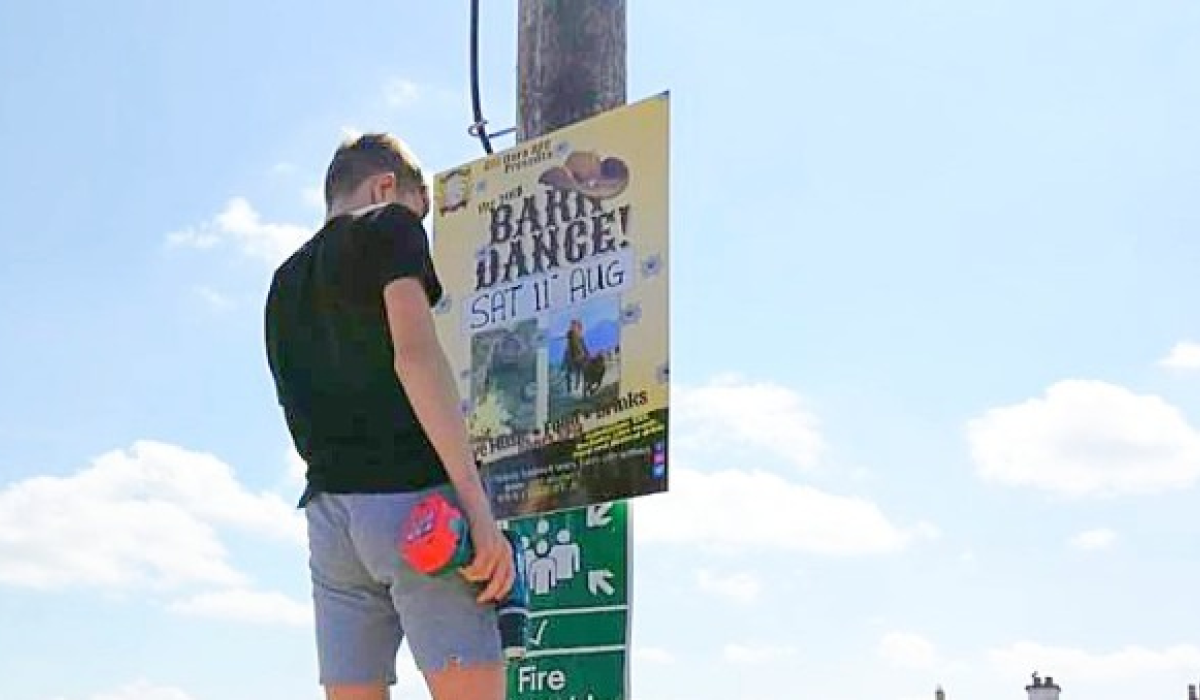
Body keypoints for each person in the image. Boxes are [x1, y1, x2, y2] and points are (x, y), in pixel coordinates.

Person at [264, 133, 514, 700]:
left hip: (331, 523)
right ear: (383, 188)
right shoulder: (388, 227)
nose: (415, 226)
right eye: (416, 210)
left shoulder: (282, 283)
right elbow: (416, 357)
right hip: (416, 508)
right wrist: (477, 508)